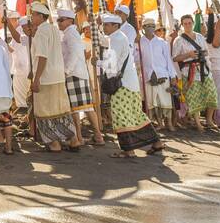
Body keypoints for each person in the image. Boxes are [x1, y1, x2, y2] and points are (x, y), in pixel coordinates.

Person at [100, 14, 165, 159]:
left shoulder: (116, 39)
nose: (104, 27)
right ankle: (156, 142)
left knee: (120, 116)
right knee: (137, 115)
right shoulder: (119, 37)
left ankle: (128, 150)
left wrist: (97, 63)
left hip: (122, 85)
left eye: (107, 25)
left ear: (115, 26)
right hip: (130, 84)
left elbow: (111, 66)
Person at [27, 1, 75, 152]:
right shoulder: (54, 29)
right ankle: (73, 140)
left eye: (33, 15)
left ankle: (54, 144)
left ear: (40, 16)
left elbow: (42, 57)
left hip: (46, 77)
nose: (31, 18)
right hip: (58, 75)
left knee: (45, 111)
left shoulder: (42, 31)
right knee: (60, 109)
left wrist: (36, 79)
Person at [60, 9, 104, 146]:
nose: (59, 23)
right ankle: (97, 136)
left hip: (74, 74)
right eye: (58, 20)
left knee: (76, 108)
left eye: (61, 20)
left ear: (70, 21)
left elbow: (74, 53)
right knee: (86, 107)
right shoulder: (70, 33)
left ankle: (79, 137)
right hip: (78, 73)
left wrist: (67, 71)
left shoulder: (71, 33)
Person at [171, 14, 218, 132]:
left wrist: (202, 54)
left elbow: (206, 51)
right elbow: (175, 58)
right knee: (194, 97)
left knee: (212, 93)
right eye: (185, 23)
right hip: (189, 71)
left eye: (189, 23)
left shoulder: (200, 37)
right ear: (182, 25)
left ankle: (209, 120)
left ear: (192, 23)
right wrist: (189, 55)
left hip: (203, 69)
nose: (187, 25)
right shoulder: (179, 39)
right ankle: (198, 123)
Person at [138, 16, 176, 131]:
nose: (150, 28)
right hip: (148, 76)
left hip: (162, 74)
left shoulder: (162, 42)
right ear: (143, 28)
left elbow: (168, 60)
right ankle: (160, 123)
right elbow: (137, 59)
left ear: (154, 28)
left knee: (166, 101)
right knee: (153, 102)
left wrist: (173, 75)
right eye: (147, 26)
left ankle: (169, 123)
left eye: (152, 26)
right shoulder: (139, 42)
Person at [7, 15, 34, 111]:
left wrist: (8, 24)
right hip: (21, 69)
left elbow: (17, 40)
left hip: (27, 69)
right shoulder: (24, 34)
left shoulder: (33, 35)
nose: (23, 29)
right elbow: (16, 41)